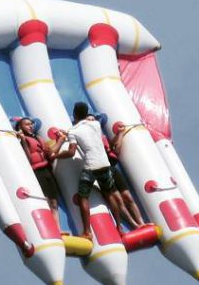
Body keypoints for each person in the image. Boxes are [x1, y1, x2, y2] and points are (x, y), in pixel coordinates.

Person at [55, 102, 128, 239]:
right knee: (110, 194)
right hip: (105, 164)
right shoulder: (96, 125)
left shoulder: (73, 131)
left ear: (75, 114)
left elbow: (71, 153)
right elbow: (89, 124)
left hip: (90, 167)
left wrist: (57, 155)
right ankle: (119, 226)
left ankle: (87, 231)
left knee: (83, 197)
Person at [14, 117, 61, 212]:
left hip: (47, 169)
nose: (30, 126)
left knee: (54, 201)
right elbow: (28, 158)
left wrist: (60, 139)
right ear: (20, 127)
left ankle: (57, 226)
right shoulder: (21, 142)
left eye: (31, 124)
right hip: (37, 172)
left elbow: (50, 153)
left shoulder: (39, 138)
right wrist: (23, 140)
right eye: (27, 124)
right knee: (46, 200)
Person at [103, 130, 147, 228]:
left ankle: (141, 222)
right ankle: (134, 224)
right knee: (118, 199)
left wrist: (120, 134)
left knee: (127, 196)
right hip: (102, 170)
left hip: (112, 168)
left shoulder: (103, 138)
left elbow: (115, 149)